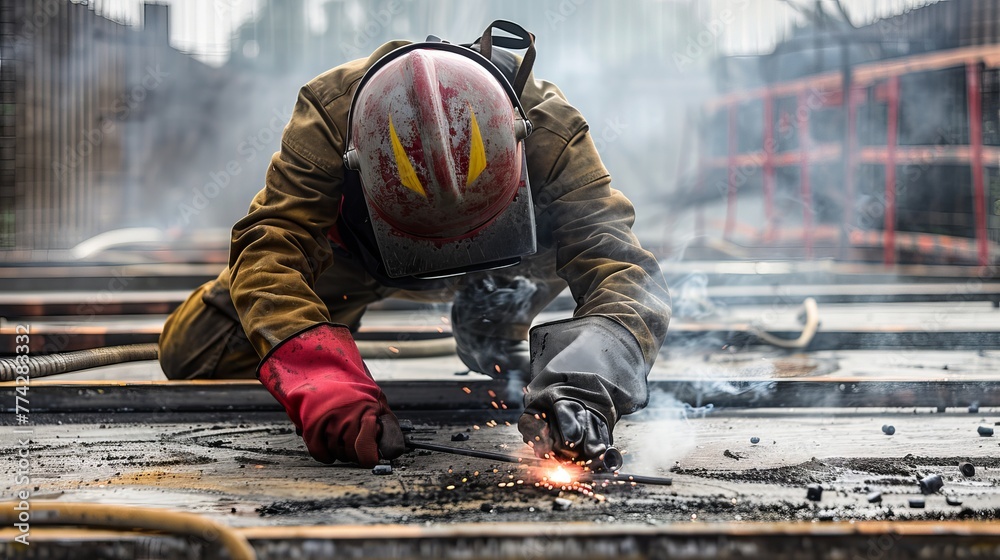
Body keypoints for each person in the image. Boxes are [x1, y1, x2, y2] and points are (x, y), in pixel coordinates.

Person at [158, 21, 670, 469]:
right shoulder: (331, 114)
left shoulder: (549, 128)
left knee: (500, 331)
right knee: (192, 354)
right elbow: (270, 248)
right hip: (359, 258)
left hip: (508, 262)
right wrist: (323, 377)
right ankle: (342, 324)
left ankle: (489, 317)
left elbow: (621, 268)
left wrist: (585, 386)